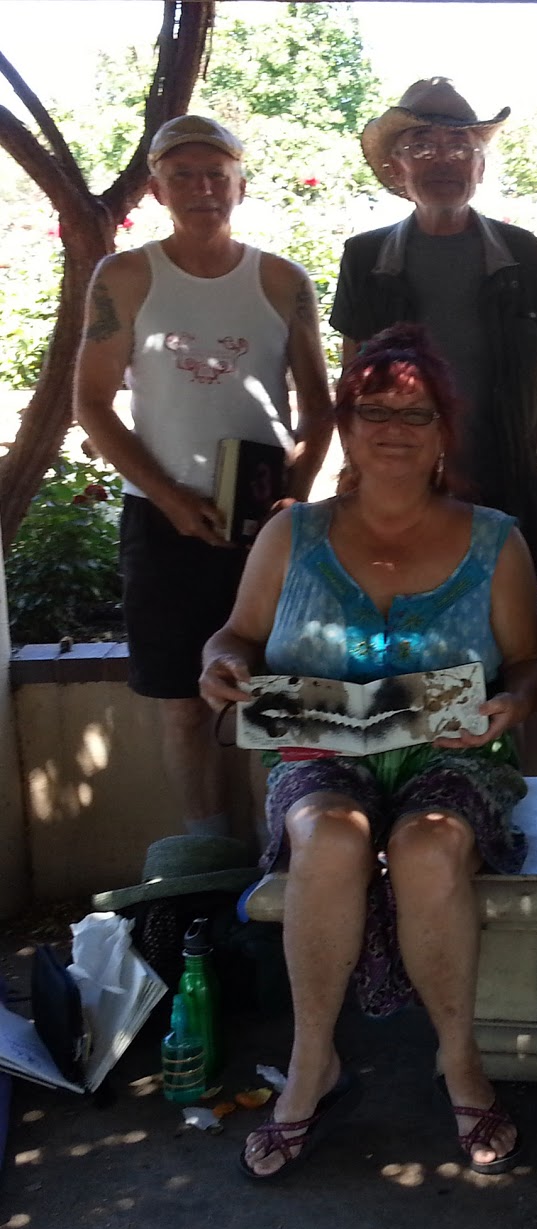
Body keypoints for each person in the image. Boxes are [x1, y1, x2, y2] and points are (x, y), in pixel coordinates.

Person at [200, 325, 537, 1179]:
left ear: (443, 432)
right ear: (347, 429)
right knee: (330, 838)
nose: (395, 427)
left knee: (427, 844)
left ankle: (460, 1059)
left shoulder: (494, 539)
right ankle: (311, 1060)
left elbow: (531, 662)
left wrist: (511, 704)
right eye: (374, 411)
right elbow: (236, 635)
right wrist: (222, 666)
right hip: (319, 749)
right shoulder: (291, 535)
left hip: (453, 752)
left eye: (415, 412)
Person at [73, 114, 332, 840]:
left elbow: (319, 407)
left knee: (273, 698)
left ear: (240, 185)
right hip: (161, 522)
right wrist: (170, 499)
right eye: (182, 175)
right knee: (184, 703)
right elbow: (91, 403)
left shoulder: (281, 280)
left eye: (217, 174)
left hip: (266, 526)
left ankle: (288, 851)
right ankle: (207, 856)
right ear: (157, 189)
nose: (202, 188)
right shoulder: (125, 277)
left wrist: (294, 495)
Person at [332, 78, 537, 568]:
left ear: (480, 167)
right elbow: (351, 387)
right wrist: (356, 474)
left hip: (506, 488)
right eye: (422, 146)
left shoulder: (525, 256)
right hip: (399, 491)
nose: (443, 161)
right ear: (396, 167)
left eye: (460, 147)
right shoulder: (365, 258)